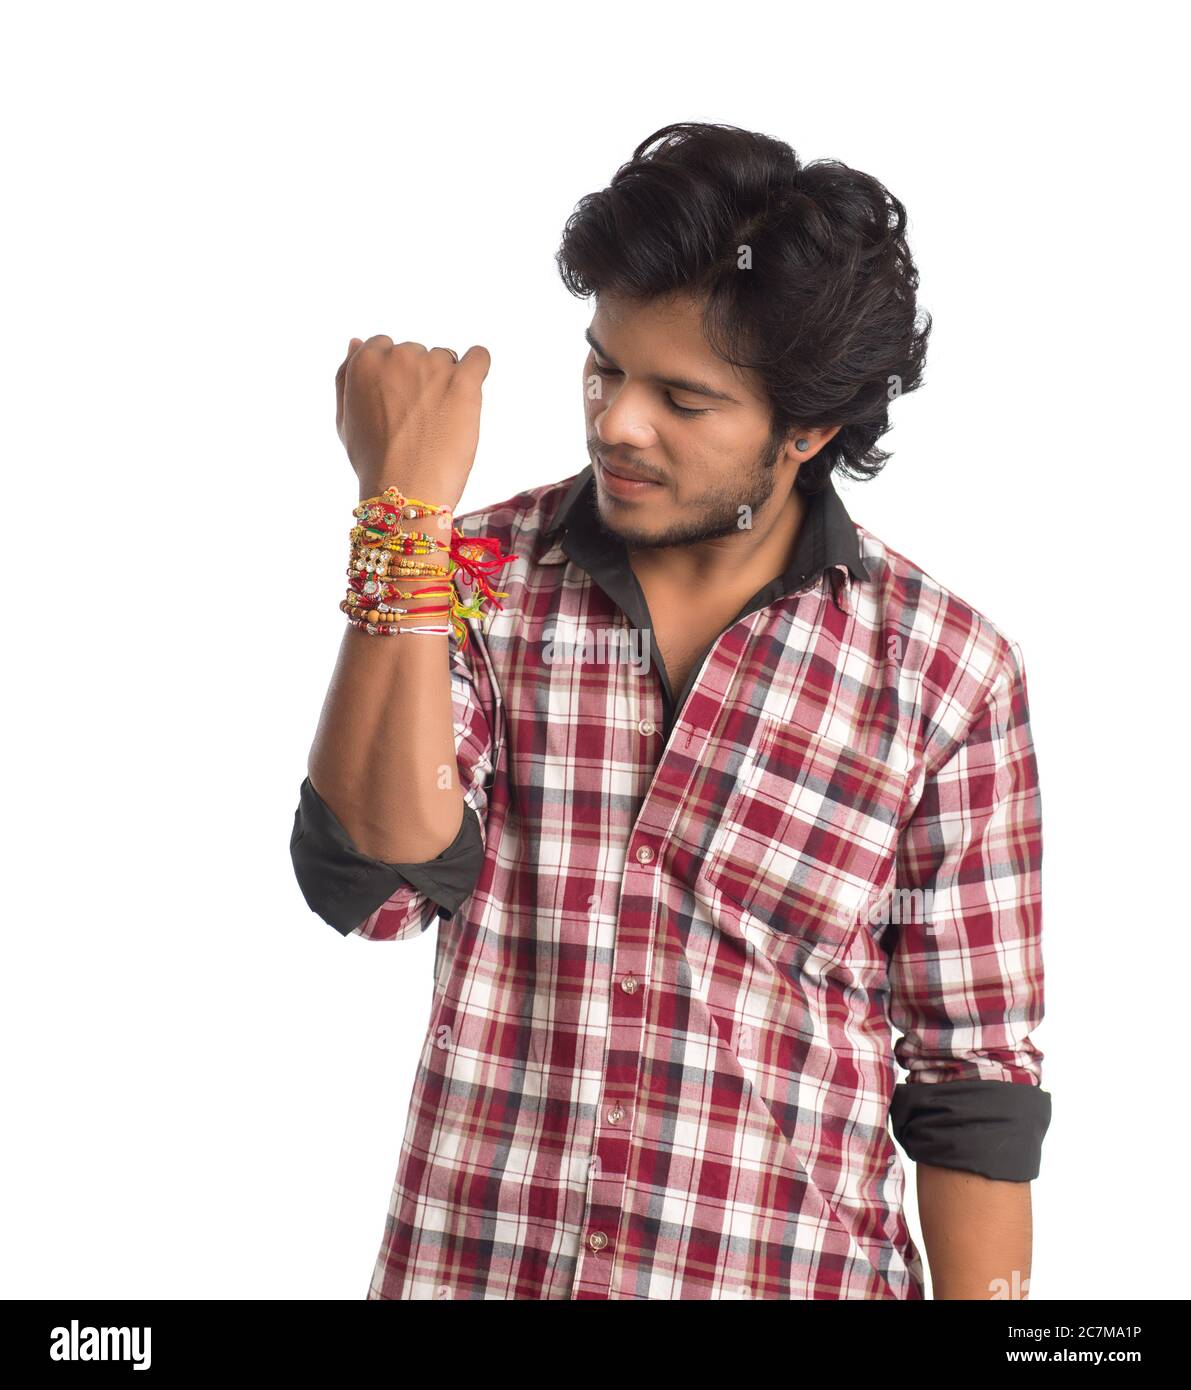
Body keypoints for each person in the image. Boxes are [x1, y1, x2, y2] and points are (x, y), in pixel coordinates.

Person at [290, 121, 1051, 1301]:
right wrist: (404, 518)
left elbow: (974, 1087)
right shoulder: (476, 569)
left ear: (807, 432)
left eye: (681, 399)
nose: (615, 422)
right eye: (605, 366)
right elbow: (377, 880)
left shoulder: (947, 672)